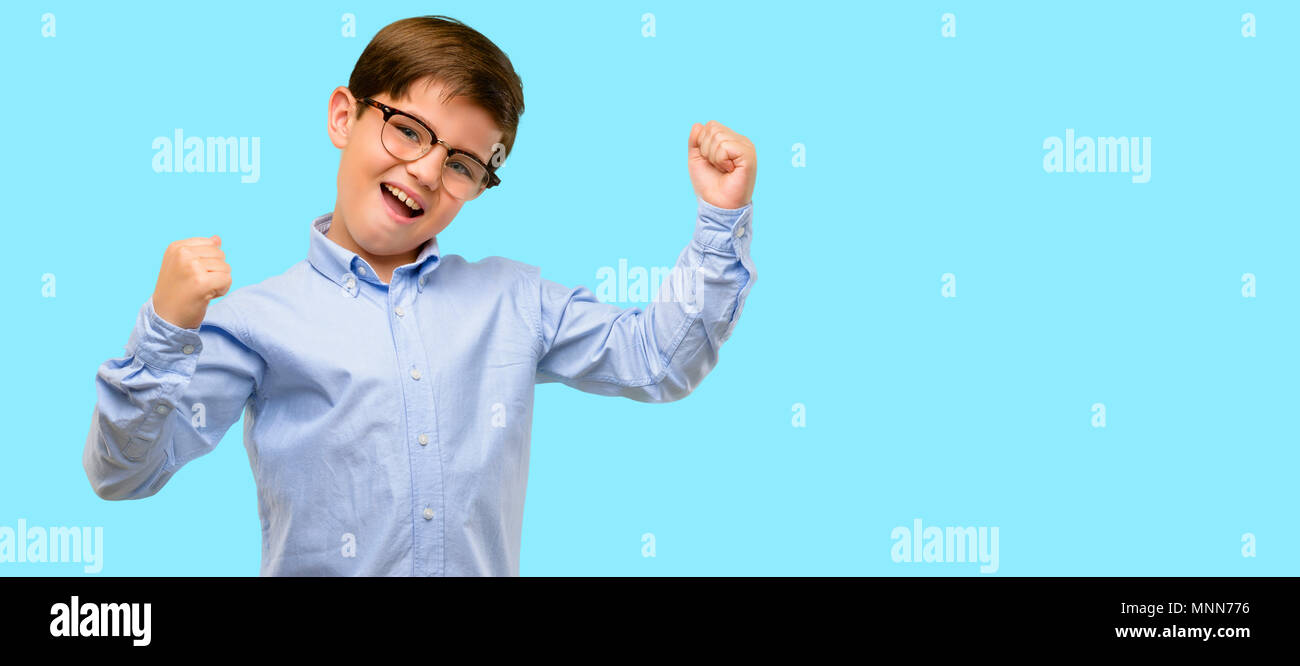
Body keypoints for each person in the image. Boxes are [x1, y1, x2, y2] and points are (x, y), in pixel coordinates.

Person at [83, 15, 756, 576]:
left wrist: (719, 222)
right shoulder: (258, 324)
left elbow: (657, 361)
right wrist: (166, 329)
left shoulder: (514, 299)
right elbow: (123, 474)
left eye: (464, 164)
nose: (428, 173)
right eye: (408, 129)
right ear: (344, 116)